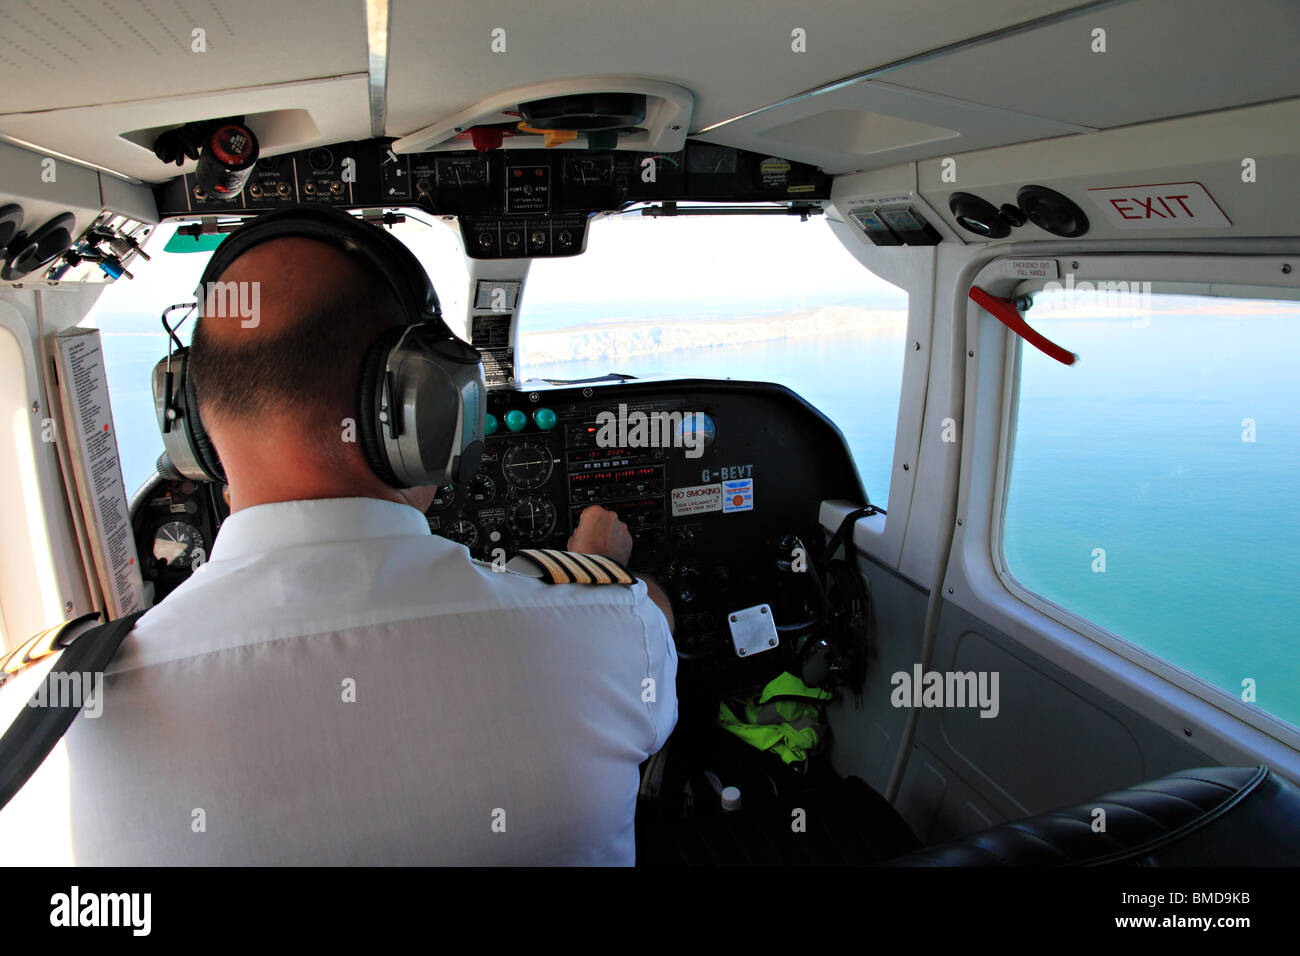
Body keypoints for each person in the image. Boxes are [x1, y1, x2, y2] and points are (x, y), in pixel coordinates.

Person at [0, 227, 677, 865]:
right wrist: (597, 569)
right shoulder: (605, 627)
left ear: (193, 432)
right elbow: (655, 628)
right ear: (433, 407)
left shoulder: (47, 716)